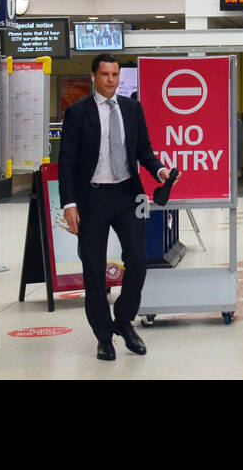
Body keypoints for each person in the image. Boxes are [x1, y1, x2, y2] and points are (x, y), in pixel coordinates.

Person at [60, 54, 174, 361]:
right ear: (93, 77)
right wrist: (69, 203)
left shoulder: (132, 108)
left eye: (115, 74)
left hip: (129, 196)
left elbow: (143, 150)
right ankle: (103, 335)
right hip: (92, 198)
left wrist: (159, 170)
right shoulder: (77, 113)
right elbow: (67, 163)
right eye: (105, 74)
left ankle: (124, 320)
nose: (111, 80)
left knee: (138, 260)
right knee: (94, 270)